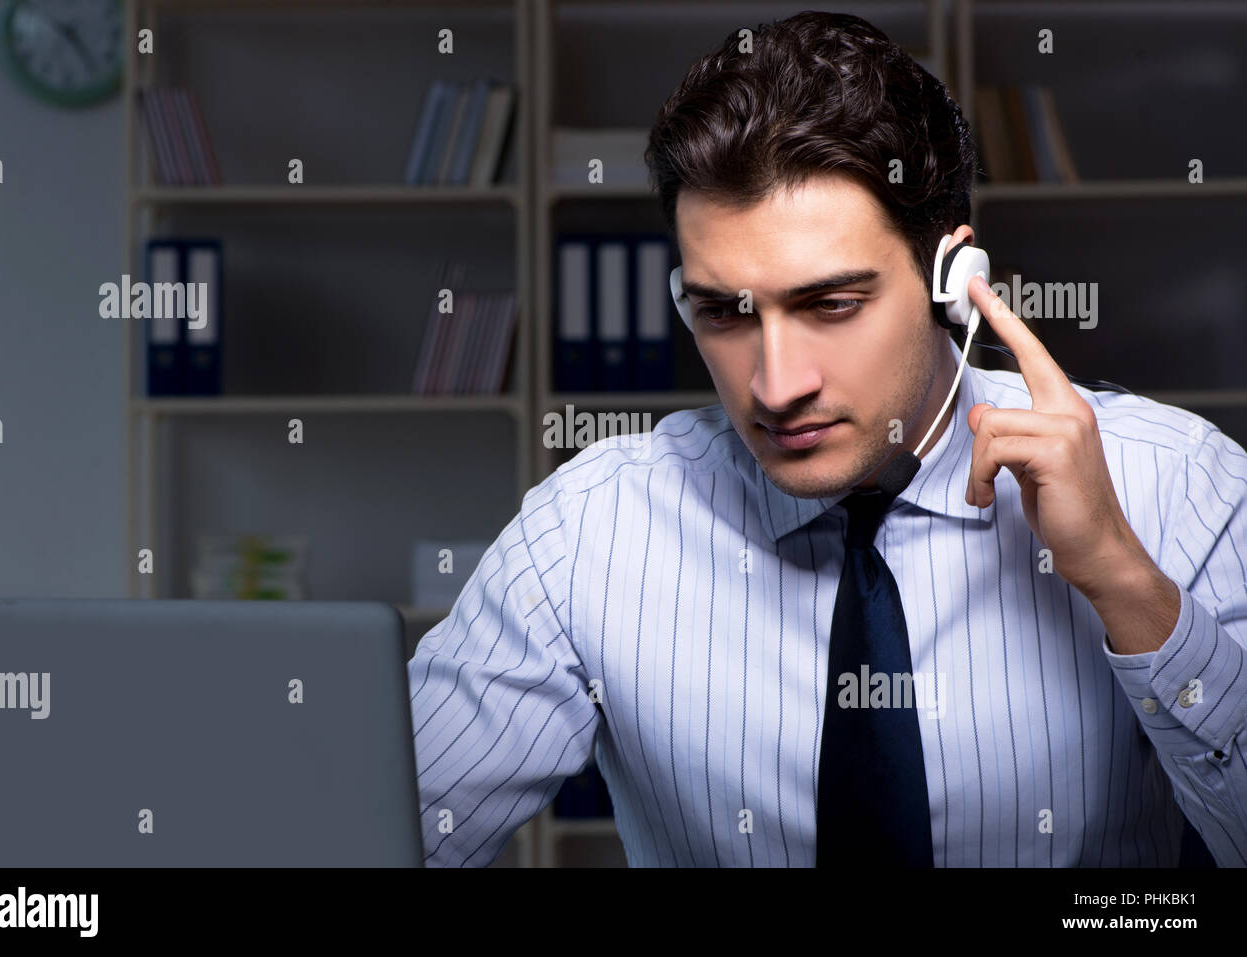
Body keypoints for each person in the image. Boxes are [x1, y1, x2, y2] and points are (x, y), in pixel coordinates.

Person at [408, 10, 1247, 866]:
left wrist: (1122, 579)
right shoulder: (585, 535)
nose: (775, 386)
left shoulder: (1178, 484)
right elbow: (375, 832)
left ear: (954, 281)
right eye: (725, 311)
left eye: (831, 304)